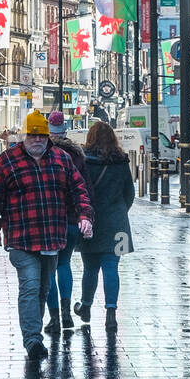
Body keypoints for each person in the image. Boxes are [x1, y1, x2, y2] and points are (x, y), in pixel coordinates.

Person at [0, 110, 94, 362]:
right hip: (21, 239)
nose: (37, 140)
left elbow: (79, 190)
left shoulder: (61, 159)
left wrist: (85, 215)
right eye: (32, 136)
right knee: (30, 286)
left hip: (52, 238)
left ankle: (35, 331)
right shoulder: (6, 162)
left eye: (42, 136)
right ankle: (32, 339)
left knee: (43, 289)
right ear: (23, 136)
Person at [75, 121, 134, 331]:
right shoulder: (122, 160)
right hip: (117, 222)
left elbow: (78, 190)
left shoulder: (83, 161)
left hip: (90, 221)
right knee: (112, 268)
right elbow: (130, 193)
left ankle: (86, 306)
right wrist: (119, 211)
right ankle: (111, 312)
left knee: (90, 268)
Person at [43, 111, 86, 334]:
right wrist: (86, 215)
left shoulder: (44, 153)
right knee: (64, 263)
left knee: (50, 267)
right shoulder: (77, 155)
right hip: (71, 219)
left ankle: (54, 317)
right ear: (65, 131)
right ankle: (67, 313)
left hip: (50, 219)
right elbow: (85, 188)